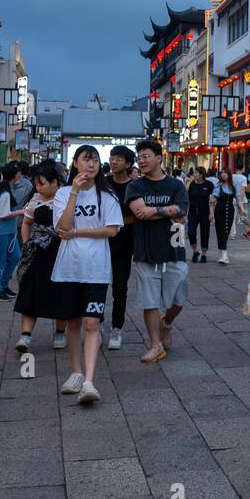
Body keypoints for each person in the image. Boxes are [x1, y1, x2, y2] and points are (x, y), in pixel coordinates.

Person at [53, 145, 122, 405]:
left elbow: (112, 230)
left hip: (96, 268)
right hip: (68, 268)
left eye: (95, 160)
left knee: (91, 322)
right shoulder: (62, 193)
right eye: (86, 160)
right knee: (72, 322)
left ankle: (90, 380)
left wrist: (78, 234)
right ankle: (76, 372)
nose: (91, 165)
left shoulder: (107, 195)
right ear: (75, 163)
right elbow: (64, 226)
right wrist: (73, 192)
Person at [125, 139, 189, 364]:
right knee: (149, 301)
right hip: (146, 251)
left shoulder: (176, 185)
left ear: (159, 158)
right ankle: (155, 345)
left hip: (175, 248)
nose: (141, 161)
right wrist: (167, 211)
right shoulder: (135, 186)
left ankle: (167, 323)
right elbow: (140, 213)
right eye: (139, 157)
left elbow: (182, 208)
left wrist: (154, 210)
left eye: (146, 156)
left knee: (179, 299)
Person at [13, 161, 63, 353]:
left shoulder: (67, 198)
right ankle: (25, 336)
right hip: (38, 250)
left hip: (61, 250)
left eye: (42, 183)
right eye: (37, 183)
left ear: (55, 182)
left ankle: (60, 331)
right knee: (30, 291)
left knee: (60, 291)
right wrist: (26, 244)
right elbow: (26, 223)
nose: (38, 187)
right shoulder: (35, 199)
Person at [106, 145, 136, 350]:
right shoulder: (103, 183)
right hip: (101, 241)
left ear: (127, 164)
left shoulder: (135, 187)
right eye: (112, 157)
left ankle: (117, 327)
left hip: (125, 243)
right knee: (97, 285)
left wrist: (117, 222)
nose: (114, 161)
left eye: (118, 159)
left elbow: (137, 215)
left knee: (120, 288)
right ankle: (95, 321)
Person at [0, 163, 26, 300]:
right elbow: (2, 214)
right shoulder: (5, 193)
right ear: (15, 175)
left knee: (15, 257)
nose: (20, 175)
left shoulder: (6, 189)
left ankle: (3, 285)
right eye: (18, 173)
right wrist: (21, 212)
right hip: (1, 232)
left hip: (9, 232)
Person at [211, 167, 239, 265]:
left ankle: (223, 253)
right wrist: (211, 213)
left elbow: (238, 199)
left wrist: (243, 210)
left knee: (226, 231)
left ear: (229, 174)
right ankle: (223, 254)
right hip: (219, 211)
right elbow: (213, 200)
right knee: (220, 232)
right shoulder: (218, 186)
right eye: (222, 173)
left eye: (225, 173)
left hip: (230, 211)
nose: (223, 174)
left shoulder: (233, 187)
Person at [186, 166, 213, 263]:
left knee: (205, 233)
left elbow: (212, 200)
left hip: (205, 212)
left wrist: (211, 213)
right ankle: (195, 251)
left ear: (202, 174)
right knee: (191, 232)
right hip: (193, 212)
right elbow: (188, 199)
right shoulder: (192, 184)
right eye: (194, 173)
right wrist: (186, 213)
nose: (194, 174)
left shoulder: (209, 185)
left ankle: (204, 254)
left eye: (197, 173)